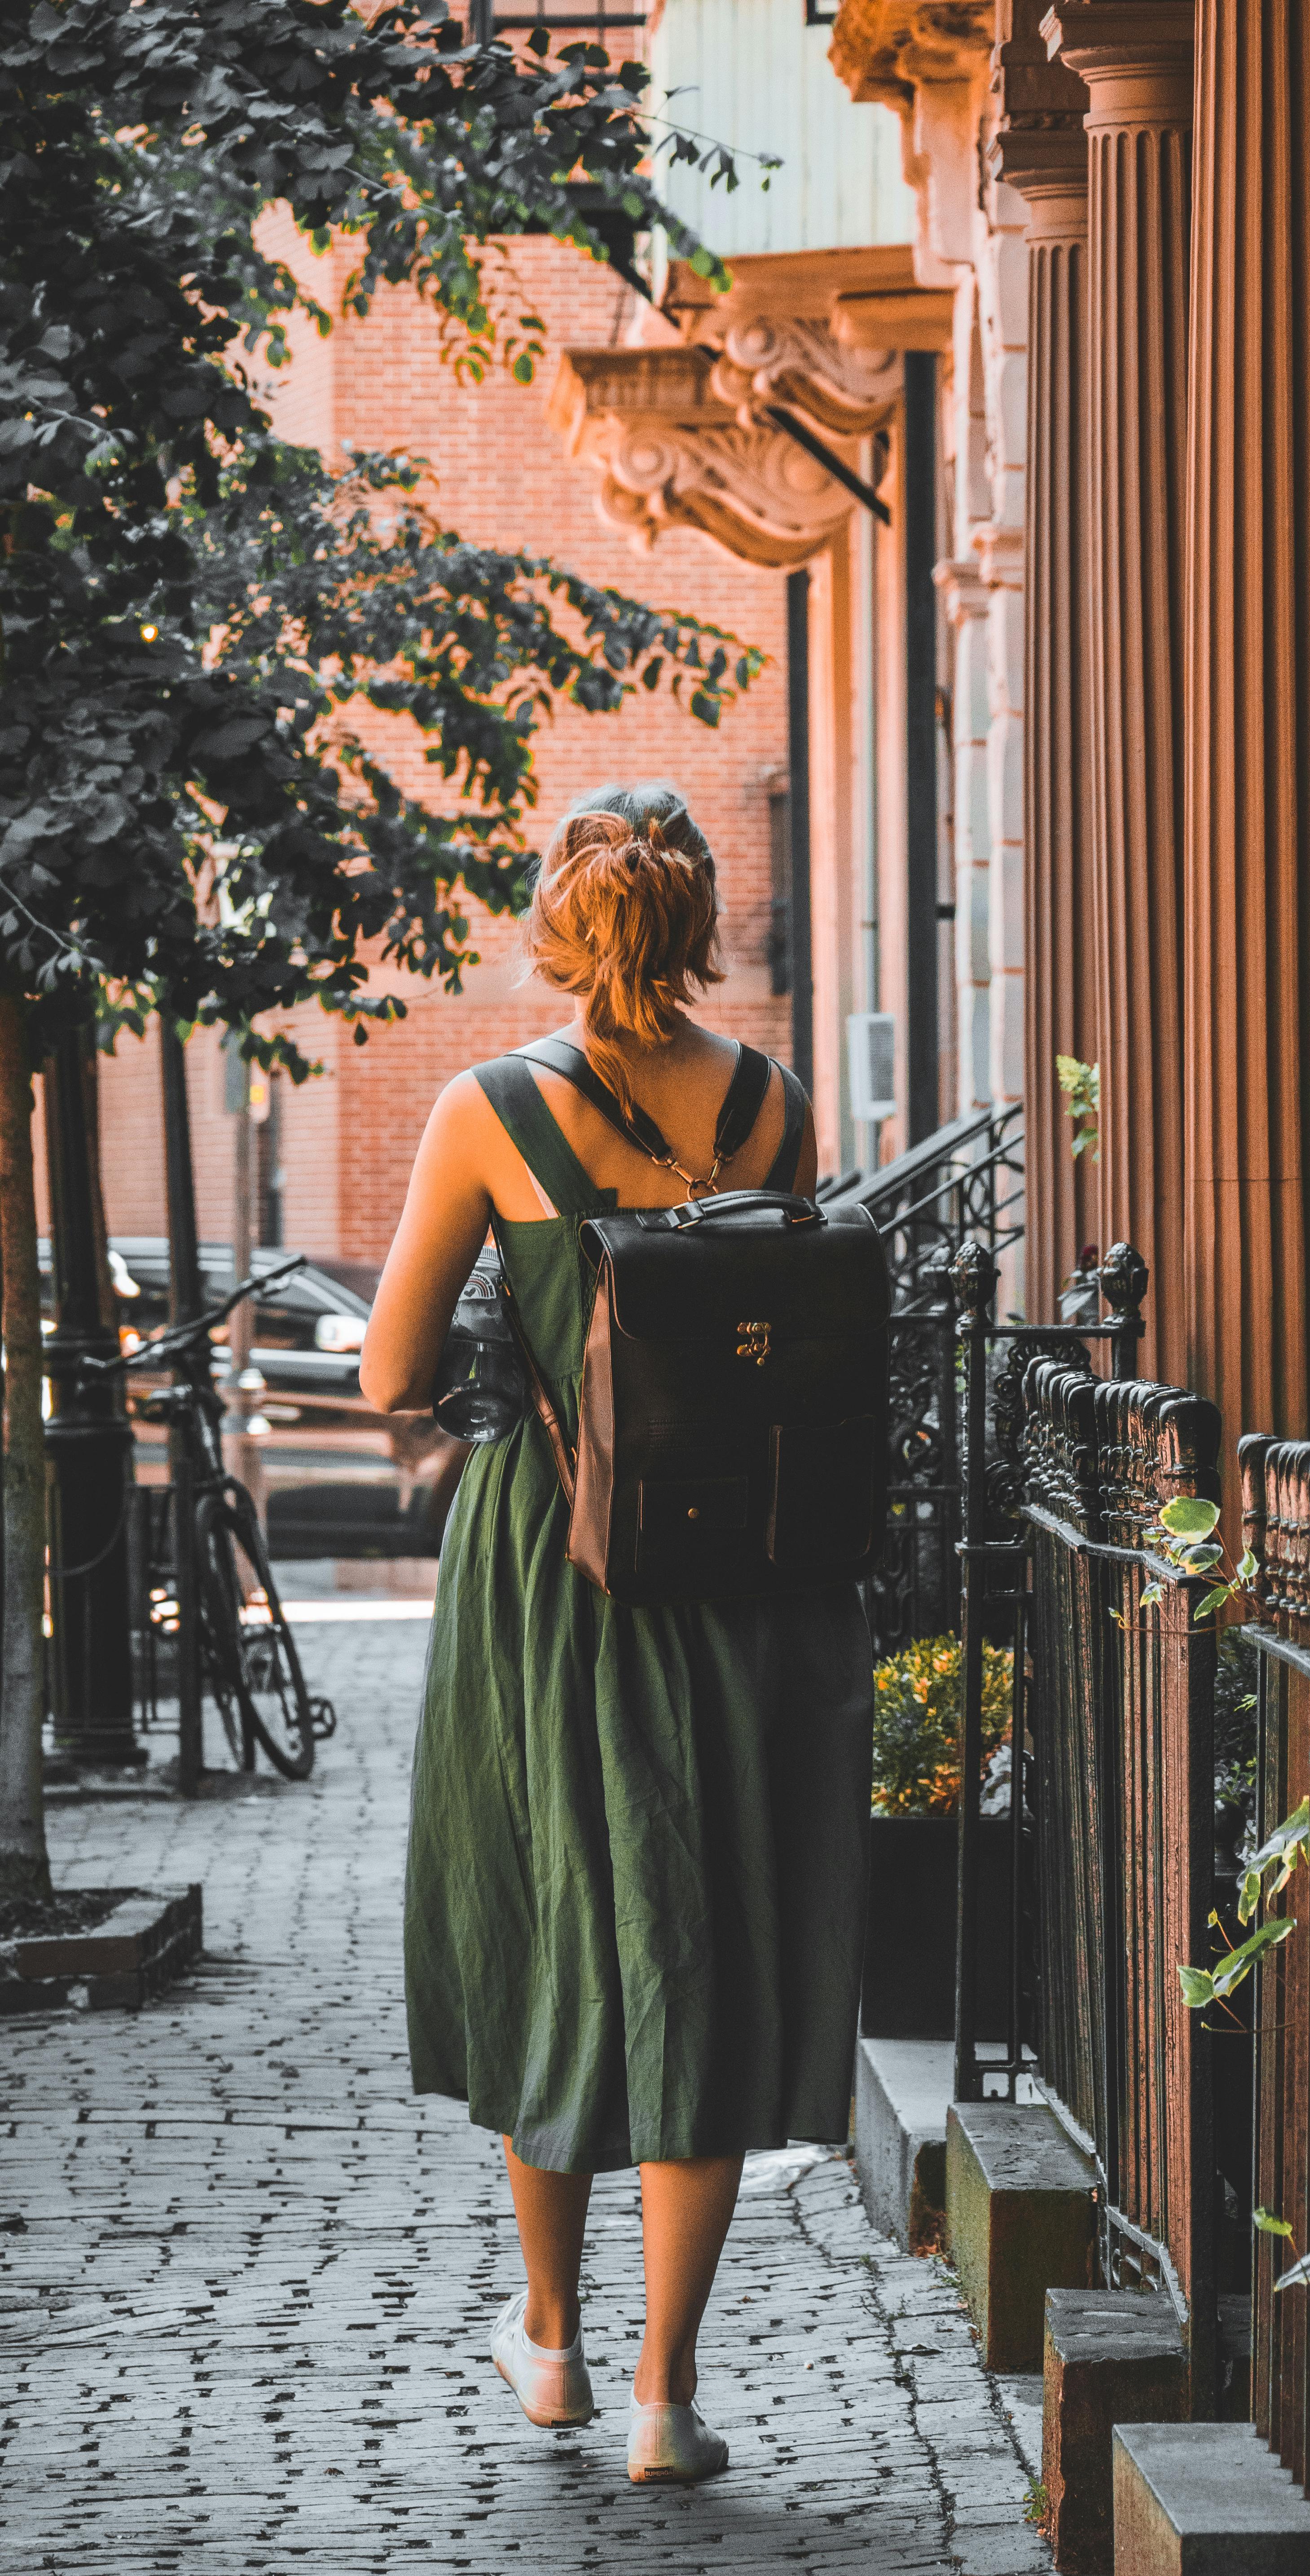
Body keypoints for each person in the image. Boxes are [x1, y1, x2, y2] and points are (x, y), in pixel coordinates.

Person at [361, 781, 874, 2486]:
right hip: (743, 1573)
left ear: (561, 923)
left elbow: (388, 1375)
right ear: (693, 918)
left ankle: (556, 2347)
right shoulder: (775, 1101)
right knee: (705, 1939)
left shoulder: (486, 1107)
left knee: (548, 1926)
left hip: (552, 1572)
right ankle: (669, 2392)